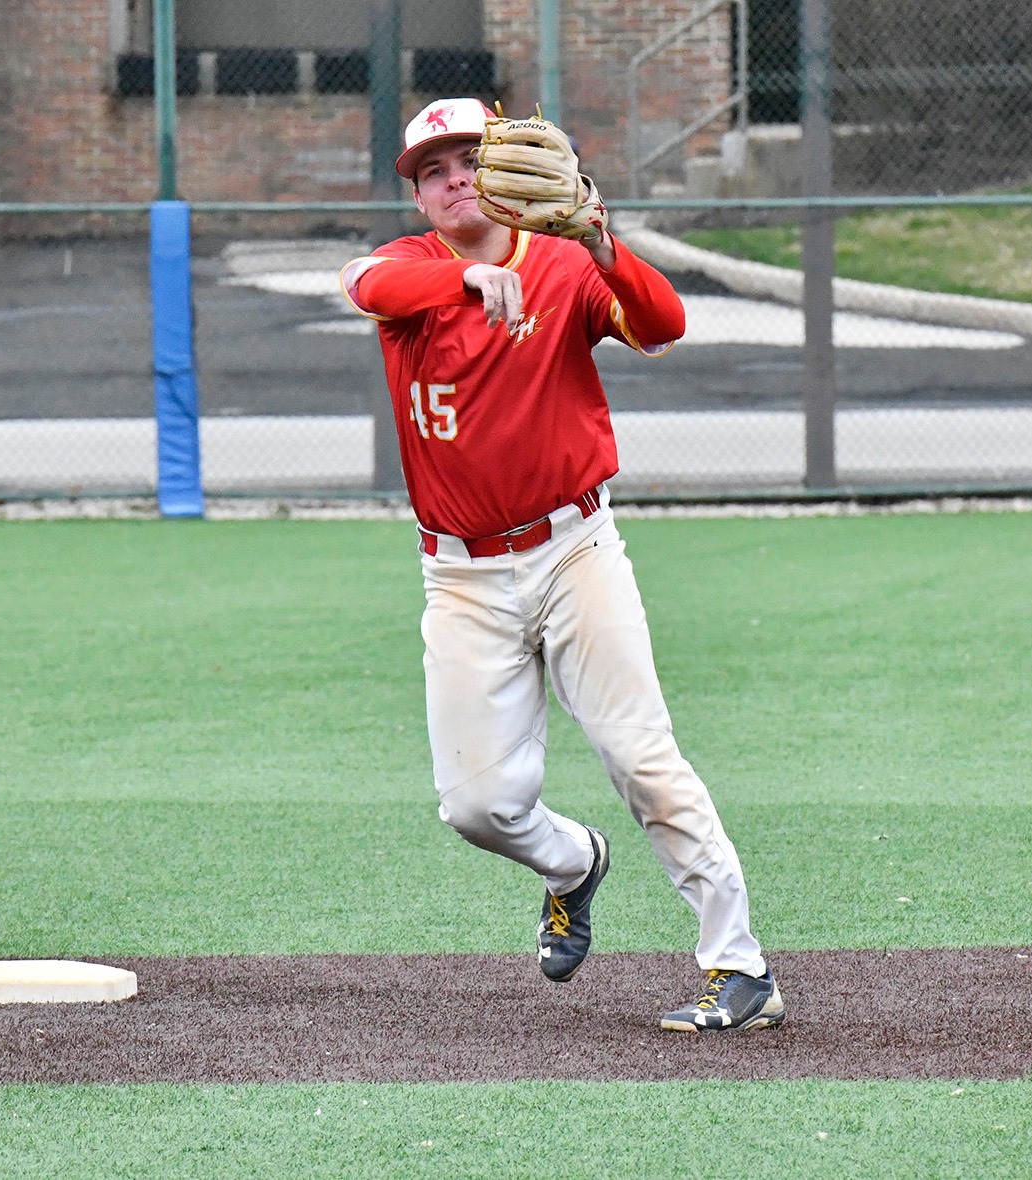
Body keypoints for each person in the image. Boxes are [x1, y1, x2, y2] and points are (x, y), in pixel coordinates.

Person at [339, 98, 783, 1032]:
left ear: (504, 171)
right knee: (476, 806)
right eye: (433, 170)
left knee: (639, 755)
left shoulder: (562, 263)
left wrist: (601, 239)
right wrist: (466, 284)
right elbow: (365, 286)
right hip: (460, 577)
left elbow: (662, 326)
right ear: (418, 196)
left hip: (574, 549)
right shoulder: (412, 270)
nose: (454, 177)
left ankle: (738, 966)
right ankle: (573, 863)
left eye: (469, 159)